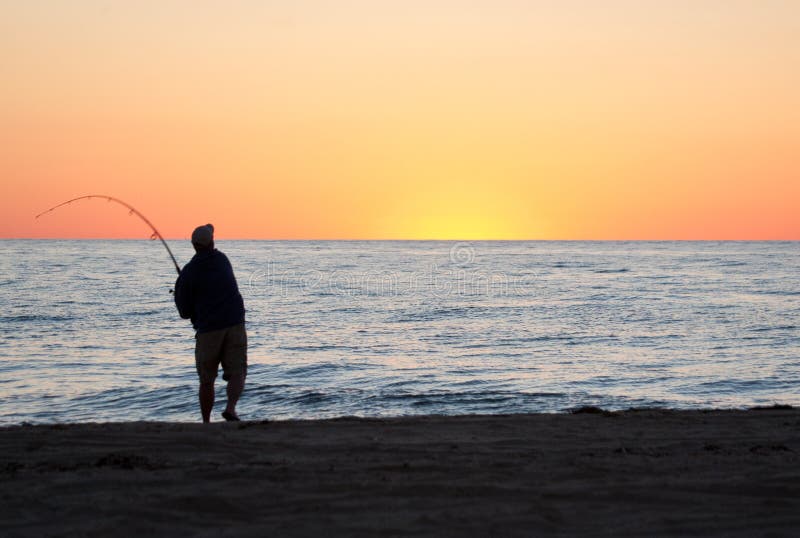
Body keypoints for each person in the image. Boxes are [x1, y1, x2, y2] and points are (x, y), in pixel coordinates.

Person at [174, 224, 247, 423]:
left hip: (208, 330)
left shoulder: (189, 272)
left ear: (193, 245)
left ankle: (206, 422)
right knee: (237, 372)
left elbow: (184, 312)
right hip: (234, 323)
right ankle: (230, 409)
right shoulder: (223, 260)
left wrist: (180, 288)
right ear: (212, 242)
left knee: (207, 380)